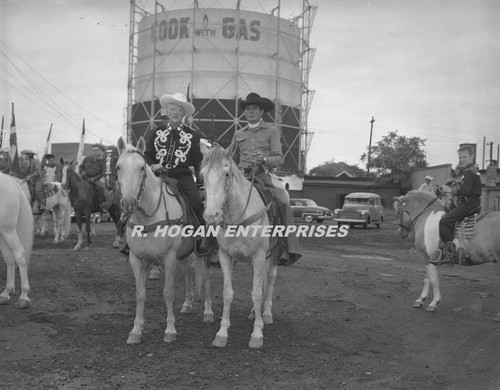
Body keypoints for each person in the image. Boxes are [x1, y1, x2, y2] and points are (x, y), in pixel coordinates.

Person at [228, 92, 302, 265]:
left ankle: (285, 247)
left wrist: (265, 159)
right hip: (241, 177)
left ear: (261, 111)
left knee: (283, 200)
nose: (251, 112)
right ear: (244, 112)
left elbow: (279, 157)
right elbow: (232, 157)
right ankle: (213, 247)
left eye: (254, 108)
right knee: (217, 200)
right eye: (248, 109)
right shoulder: (238, 133)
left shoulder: (271, 130)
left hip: (263, 175)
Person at [435, 144, 482, 265]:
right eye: (460, 157)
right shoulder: (474, 170)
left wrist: (449, 191)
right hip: (474, 202)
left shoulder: (468, 172)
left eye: (464, 157)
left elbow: (465, 191)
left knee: (444, 221)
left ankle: (450, 254)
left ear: (472, 156)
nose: (461, 160)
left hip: (468, 204)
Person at [79, 143, 106, 211]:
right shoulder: (87, 158)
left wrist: (94, 179)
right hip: (84, 178)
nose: (95, 152)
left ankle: (101, 205)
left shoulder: (102, 161)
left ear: (99, 150)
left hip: (94, 179)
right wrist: (82, 172)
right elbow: (81, 167)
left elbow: (102, 173)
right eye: (93, 150)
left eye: (96, 150)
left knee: (101, 188)